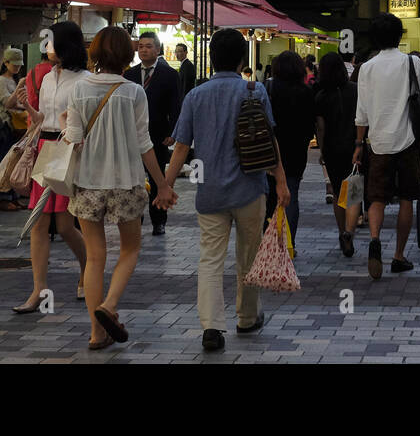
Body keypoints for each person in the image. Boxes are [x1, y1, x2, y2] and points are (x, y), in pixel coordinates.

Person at [166, 29, 289, 351]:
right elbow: (269, 138)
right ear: (240, 59)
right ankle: (247, 318)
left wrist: (165, 185)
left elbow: (181, 147)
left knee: (210, 259)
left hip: (209, 192)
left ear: (212, 57)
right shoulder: (255, 89)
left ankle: (211, 326)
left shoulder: (195, 95)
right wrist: (281, 180)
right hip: (249, 188)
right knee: (248, 257)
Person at [66, 26, 176, 350]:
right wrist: (162, 185)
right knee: (130, 250)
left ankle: (96, 334)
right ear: (128, 56)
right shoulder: (133, 92)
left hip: (87, 182)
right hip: (126, 181)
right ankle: (110, 305)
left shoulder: (79, 89)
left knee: (95, 257)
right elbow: (145, 143)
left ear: (95, 53)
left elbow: (72, 139)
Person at [351, 14, 420, 279]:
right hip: (408, 142)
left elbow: (362, 112)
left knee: (376, 197)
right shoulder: (411, 62)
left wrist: (359, 143)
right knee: (406, 198)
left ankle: (375, 239)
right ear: (399, 36)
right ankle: (399, 256)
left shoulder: (367, 67)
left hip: (378, 143)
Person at [13, 22, 89, 314]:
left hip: (68, 150)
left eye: (52, 43)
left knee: (66, 224)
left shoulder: (83, 80)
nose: (47, 48)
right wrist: (27, 109)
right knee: (38, 222)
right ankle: (38, 288)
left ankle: (88, 269)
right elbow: (42, 118)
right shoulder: (46, 78)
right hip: (45, 148)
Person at [124, 32, 182, 237]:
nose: (143, 50)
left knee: (158, 178)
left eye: (148, 46)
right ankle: (135, 218)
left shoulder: (169, 75)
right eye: (140, 46)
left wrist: (173, 131)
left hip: (158, 134)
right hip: (132, 136)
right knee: (135, 179)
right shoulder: (129, 75)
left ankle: (159, 220)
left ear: (157, 50)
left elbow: (176, 105)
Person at [313, 51, 360, 256]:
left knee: (339, 191)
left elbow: (321, 127)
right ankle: (350, 231)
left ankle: (342, 231)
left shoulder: (321, 96)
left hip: (332, 148)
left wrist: (322, 150)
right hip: (353, 146)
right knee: (353, 192)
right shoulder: (356, 90)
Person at [267, 51, 316, 245]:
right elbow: (310, 124)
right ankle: (289, 243)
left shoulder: (269, 88)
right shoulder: (306, 92)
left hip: (271, 149)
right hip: (296, 150)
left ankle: (270, 239)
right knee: (291, 193)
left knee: (270, 194)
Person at [0, 47, 27, 211]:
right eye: (14, 65)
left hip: (17, 125)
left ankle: (12, 196)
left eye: (19, 65)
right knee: (5, 162)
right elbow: (7, 103)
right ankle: (2, 197)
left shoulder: (14, 80)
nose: (17, 68)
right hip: (6, 124)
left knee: (14, 161)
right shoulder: (1, 81)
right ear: (5, 63)